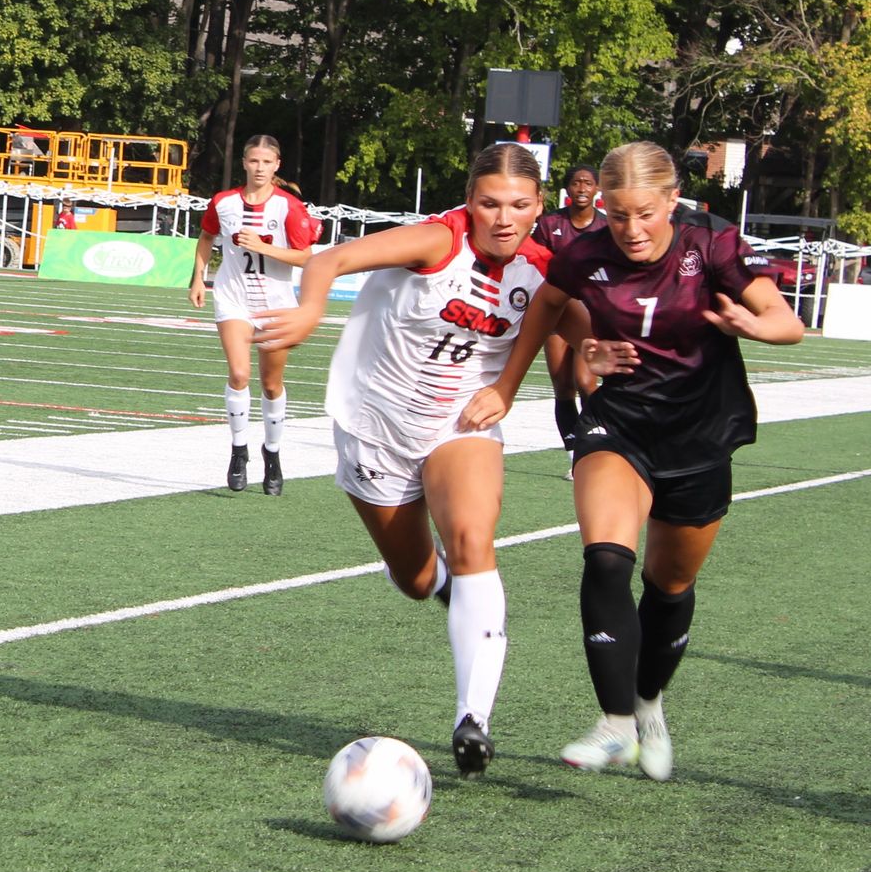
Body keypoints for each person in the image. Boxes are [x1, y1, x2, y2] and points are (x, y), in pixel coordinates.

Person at [459, 141, 804, 780]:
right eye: (618, 216)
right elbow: (545, 309)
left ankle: (648, 704)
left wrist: (751, 327)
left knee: (670, 586)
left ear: (673, 201)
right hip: (617, 424)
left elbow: (788, 323)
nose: (631, 230)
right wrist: (510, 386)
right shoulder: (583, 252)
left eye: (645, 214)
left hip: (699, 436)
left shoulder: (714, 246)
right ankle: (615, 723)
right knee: (606, 558)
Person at [255, 143, 592, 778]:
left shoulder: (547, 271)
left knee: (471, 539)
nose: (503, 217)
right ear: (470, 201)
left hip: (460, 423)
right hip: (374, 425)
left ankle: (474, 719)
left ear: (539, 206)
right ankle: (442, 587)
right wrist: (309, 308)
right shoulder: (438, 241)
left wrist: (602, 360)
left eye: (519, 205)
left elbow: (597, 336)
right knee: (414, 580)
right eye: (489, 203)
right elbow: (331, 258)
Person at [189, 134, 316, 495]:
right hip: (233, 297)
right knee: (239, 373)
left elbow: (305, 256)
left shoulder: (289, 207)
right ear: (244, 163)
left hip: (276, 303)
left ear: (277, 166)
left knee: (272, 384)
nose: (259, 168)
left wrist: (263, 247)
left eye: (266, 162)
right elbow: (206, 236)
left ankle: (272, 453)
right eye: (253, 161)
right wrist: (198, 277)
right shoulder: (224, 202)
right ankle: (238, 449)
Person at [531, 164, 604, 477]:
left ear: (597, 189)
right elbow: (533, 263)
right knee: (563, 386)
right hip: (556, 312)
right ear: (568, 189)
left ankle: (595, 450)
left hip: (593, 313)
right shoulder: (550, 224)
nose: (582, 188)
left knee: (587, 382)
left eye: (588, 183)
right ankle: (575, 455)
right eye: (577, 183)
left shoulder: (606, 226)